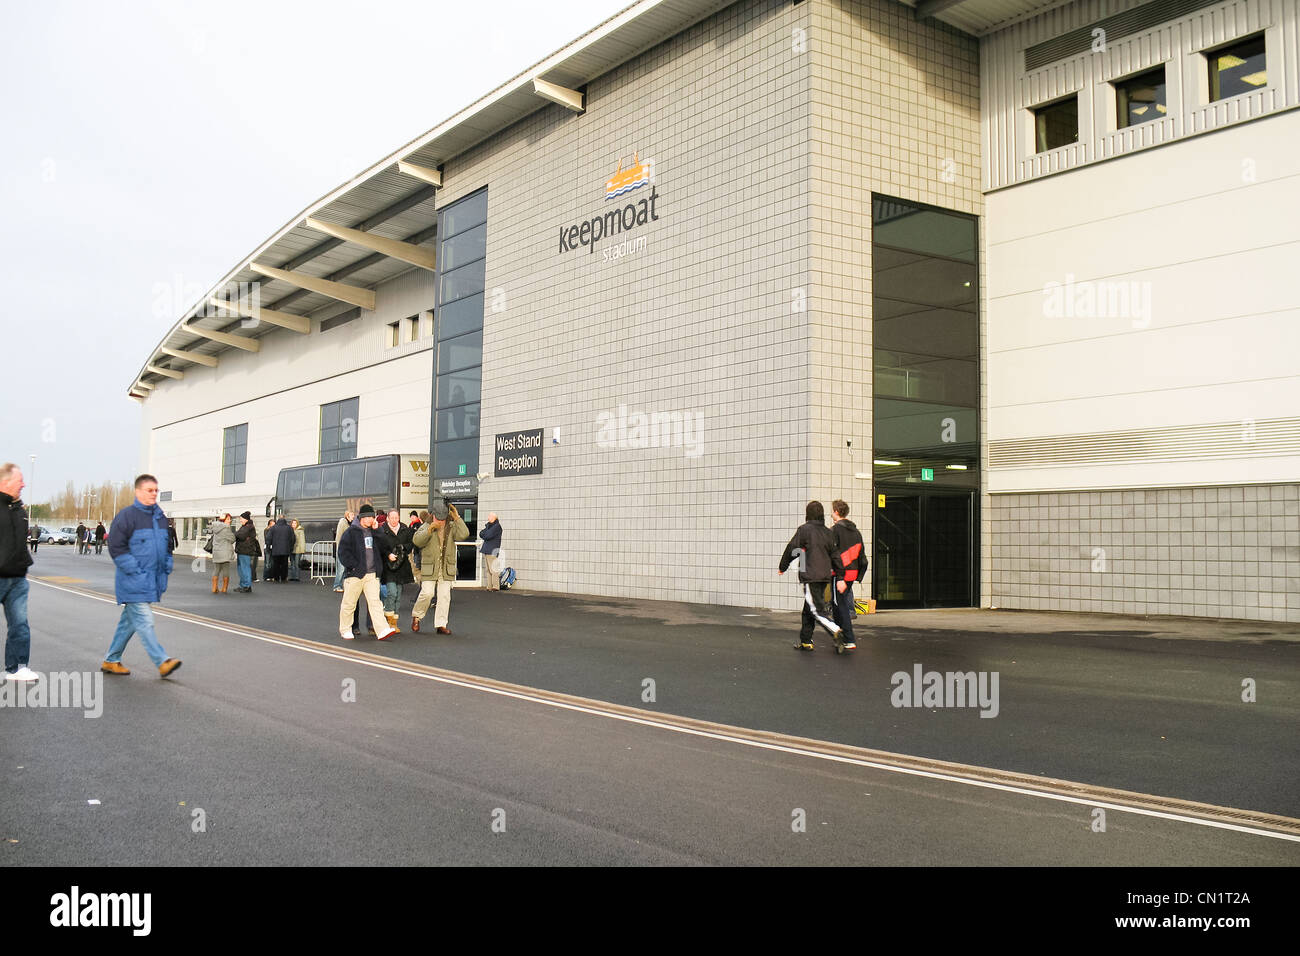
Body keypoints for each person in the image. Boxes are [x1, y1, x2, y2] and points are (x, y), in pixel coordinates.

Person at [102, 474, 181, 678]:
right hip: (133, 580)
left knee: (128, 623)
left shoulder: (160, 517)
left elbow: (166, 547)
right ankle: (162, 661)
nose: (154, 493)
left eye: (156, 490)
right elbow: (116, 547)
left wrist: (167, 565)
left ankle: (111, 660)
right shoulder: (127, 516)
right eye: (149, 490)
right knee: (145, 620)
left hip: (153, 580)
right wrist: (135, 571)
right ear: (138, 492)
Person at [777, 500, 847, 652]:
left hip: (810, 576)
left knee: (816, 610)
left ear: (808, 514)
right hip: (824, 576)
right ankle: (806, 641)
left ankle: (835, 630)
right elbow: (836, 556)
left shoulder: (804, 530)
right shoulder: (828, 532)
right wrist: (841, 576)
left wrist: (783, 566)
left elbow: (792, 548)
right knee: (808, 609)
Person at [0, 463, 38, 682]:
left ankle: (16, 668)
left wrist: (23, 566)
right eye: (19, 480)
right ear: (5, 482)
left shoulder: (20, 510)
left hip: (17, 579)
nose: (23, 484)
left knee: (19, 625)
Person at [336, 504, 396, 641]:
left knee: (375, 603)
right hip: (355, 574)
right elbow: (343, 552)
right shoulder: (351, 532)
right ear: (361, 518)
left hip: (372, 574)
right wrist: (353, 566)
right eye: (368, 517)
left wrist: (378, 530)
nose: (370, 520)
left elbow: (385, 546)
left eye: (372, 517)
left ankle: (382, 629)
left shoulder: (374, 531)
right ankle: (345, 629)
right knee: (349, 603)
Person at [410, 503, 468, 634]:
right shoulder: (426, 526)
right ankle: (417, 616)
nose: (441, 521)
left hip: (446, 566)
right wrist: (429, 530)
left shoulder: (452, 526)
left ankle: (441, 624)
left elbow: (464, 534)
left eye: (443, 518)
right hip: (430, 566)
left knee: (444, 596)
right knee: (427, 593)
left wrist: (457, 518)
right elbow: (417, 541)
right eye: (438, 518)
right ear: (433, 515)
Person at [829, 499, 868, 650]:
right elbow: (862, 555)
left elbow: (833, 553)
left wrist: (837, 575)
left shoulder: (835, 530)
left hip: (840, 574)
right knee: (841, 602)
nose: (831, 513)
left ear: (836, 512)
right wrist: (860, 575)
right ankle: (841, 634)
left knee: (840, 604)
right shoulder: (856, 532)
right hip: (852, 573)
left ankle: (848, 637)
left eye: (832, 511)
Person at [376, 509, 413, 630]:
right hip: (388, 567)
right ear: (387, 518)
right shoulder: (382, 530)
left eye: (396, 518)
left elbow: (411, 544)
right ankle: (388, 618)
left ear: (399, 518)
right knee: (392, 593)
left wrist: (403, 548)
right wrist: (388, 554)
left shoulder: (405, 529)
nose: (394, 520)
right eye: (392, 518)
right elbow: (379, 546)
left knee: (398, 595)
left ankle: (394, 622)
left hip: (401, 566)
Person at [209, 513, 236, 594]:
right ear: (224, 520)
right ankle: (224, 588)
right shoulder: (226, 528)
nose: (230, 520)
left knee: (216, 569)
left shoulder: (215, 528)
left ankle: (214, 588)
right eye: (228, 519)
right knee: (225, 570)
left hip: (216, 552)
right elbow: (232, 539)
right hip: (225, 552)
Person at [234, 512, 259, 592]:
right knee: (241, 569)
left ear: (245, 519)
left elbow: (241, 535)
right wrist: (237, 534)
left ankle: (247, 586)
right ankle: (242, 585)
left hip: (245, 550)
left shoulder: (249, 526)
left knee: (245, 568)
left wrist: (236, 534)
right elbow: (239, 534)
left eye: (241, 518)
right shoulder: (245, 526)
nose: (240, 520)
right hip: (241, 550)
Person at [479, 512, 503, 591]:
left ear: (494, 517)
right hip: (487, 550)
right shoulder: (489, 526)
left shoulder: (497, 527)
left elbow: (487, 535)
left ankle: (495, 586)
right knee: (488, 570)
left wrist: (485, 534)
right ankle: (489, 586)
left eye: (489, 516)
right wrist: (485, 534)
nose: (488, 517)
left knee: (493, 569)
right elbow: (481, 533)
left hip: (492, 550)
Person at [332, 510, 354, 592]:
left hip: (346, 549)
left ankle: (342, 585)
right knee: (341, 569)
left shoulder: (348, 523)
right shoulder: (343, 523)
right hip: (342, 549)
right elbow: (341, 535)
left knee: (344, 569)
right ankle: (337, 585)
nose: (353, 516)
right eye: (352, 515)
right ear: (347, 515)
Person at [269, 516, 293, 582]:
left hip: (275, 549)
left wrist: (269, 546)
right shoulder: (289, 528)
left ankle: (276, 578)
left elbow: (268, 538)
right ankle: (283, 578)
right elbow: (292, 538)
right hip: (285, 550)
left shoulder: (273, 528)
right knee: (284, 564)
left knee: (276, 564)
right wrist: (290, 547)